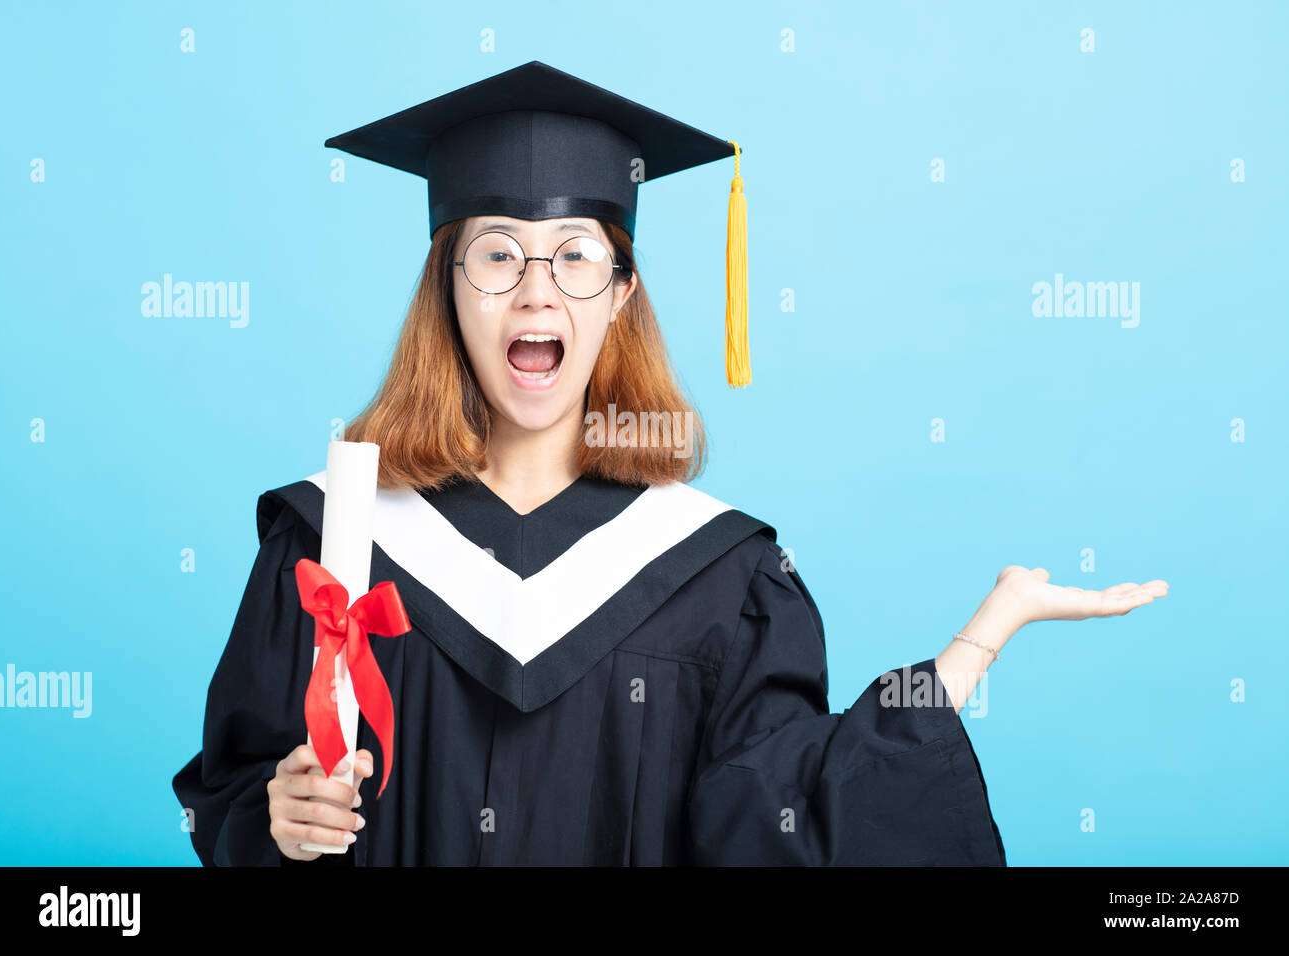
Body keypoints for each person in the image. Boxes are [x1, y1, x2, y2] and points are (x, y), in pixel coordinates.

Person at [171, 61, 1167, 866]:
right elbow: (235, 793)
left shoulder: (718, 574)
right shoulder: (330, 547)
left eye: (575, 255)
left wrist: (965, 656)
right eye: (496, 254)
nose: (535, 291)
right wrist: (277, 816)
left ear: (620, 294)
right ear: (449, 290)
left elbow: (782, 814)